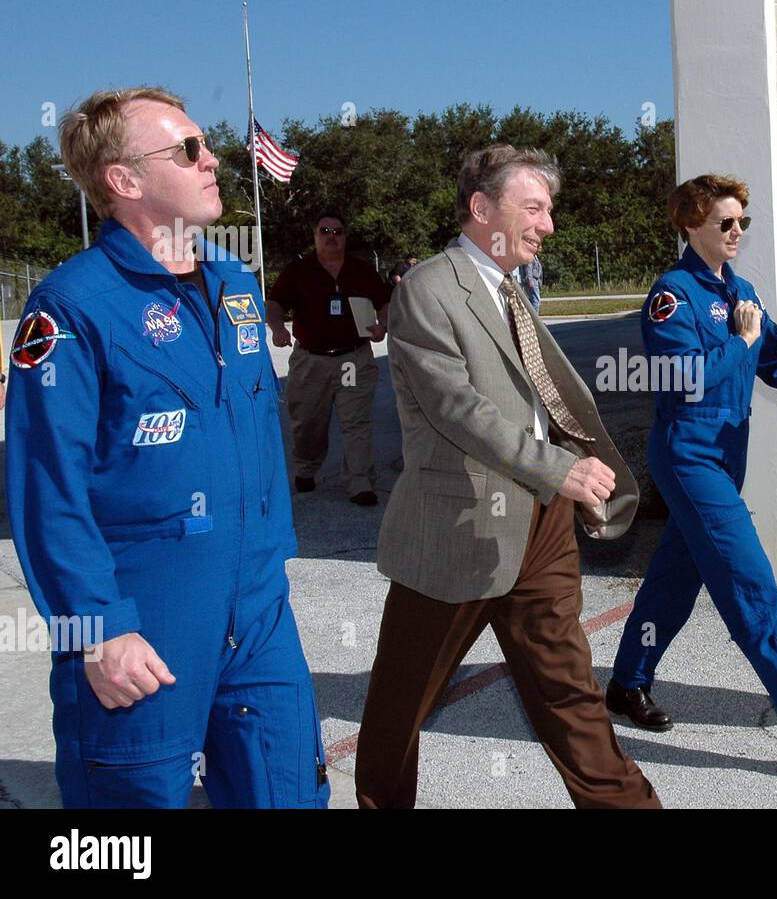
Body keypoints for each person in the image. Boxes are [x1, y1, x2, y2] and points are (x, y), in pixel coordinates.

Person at [4, 86, 329, 808]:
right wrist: (98, 630)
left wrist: (268, 564)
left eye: (205, 143)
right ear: (124, 180)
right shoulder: (72, 306)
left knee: (287, 787)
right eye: (188, 149)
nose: (211, 159)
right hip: (146, 615)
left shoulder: (235, 285)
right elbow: (47, 488)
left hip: (257, 604)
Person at [354, 144, 660, 809]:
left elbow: (540, 397)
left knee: (569, 693)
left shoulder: (510, 289)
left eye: (549, 210)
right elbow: (457, 409)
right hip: (457, 526)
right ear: (482, 207)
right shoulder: (428, 289)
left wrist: (568, 468)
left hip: (541, 524)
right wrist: (559, 467)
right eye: (535, 208)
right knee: (401, 704)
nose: (548, 224)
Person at [606, 174, 777, 772]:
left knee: (675, 577)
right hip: (688, 455)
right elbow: (686, 377)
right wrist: (743, 341)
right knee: (752, 586)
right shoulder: (671, 295)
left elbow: (770, 348)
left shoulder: (739, 288)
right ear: (690, 225)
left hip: (726, 454)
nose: (736, 231)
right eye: (724, 222)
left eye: (741, 222)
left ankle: (626, 682)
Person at [266, 213, 391, 506]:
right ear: (315, 235)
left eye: (338, 231)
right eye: (325, 231)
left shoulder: (361, 271)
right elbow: (274, 304)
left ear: (345, 237)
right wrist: (278, 328)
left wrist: (383, 324)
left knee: (356, 422)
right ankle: (306, 468)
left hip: (353, 358)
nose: (331, 236)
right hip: (311, 361)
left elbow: (384, 302)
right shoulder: (298, 271)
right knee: (308, 423)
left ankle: (360, 482)